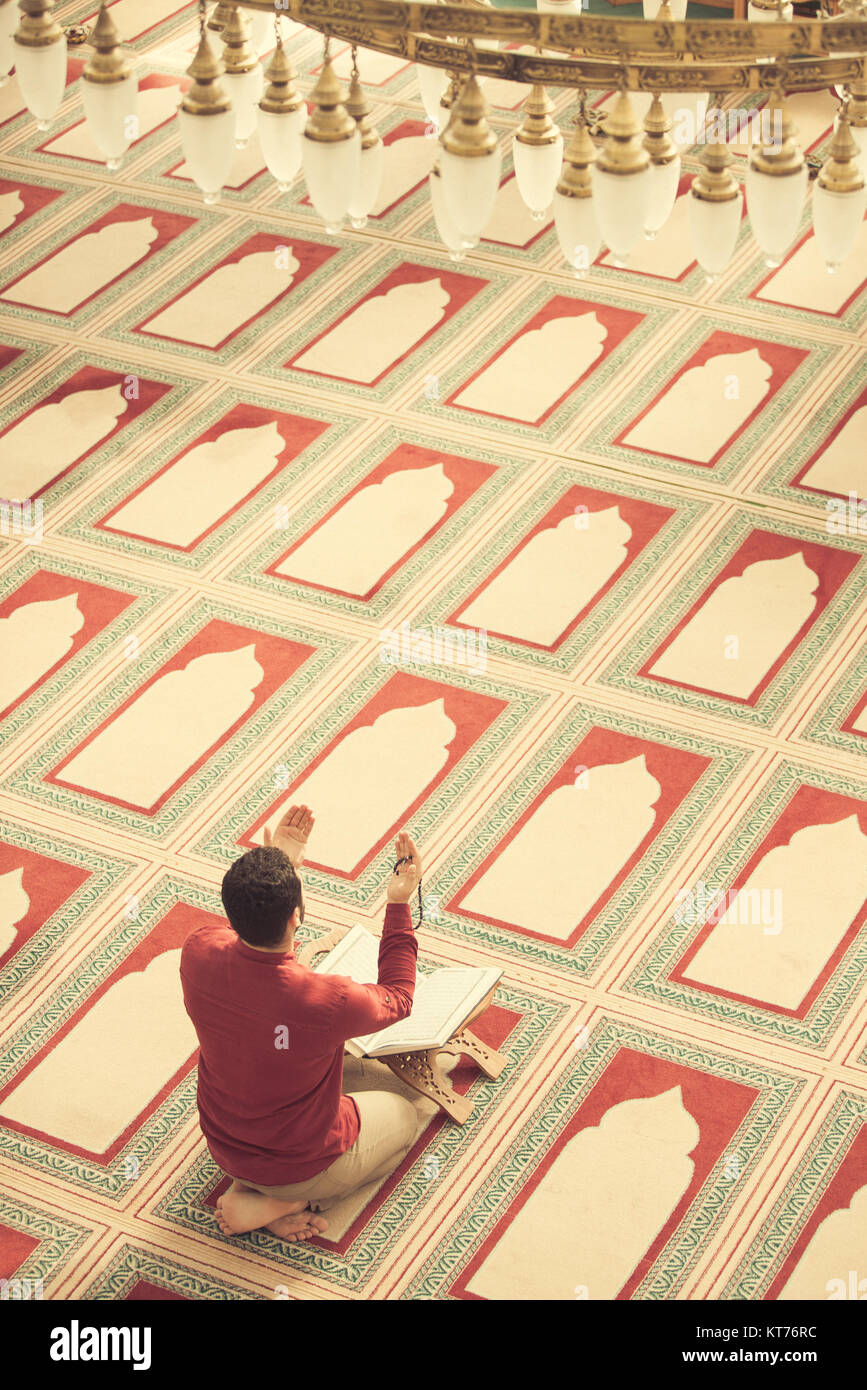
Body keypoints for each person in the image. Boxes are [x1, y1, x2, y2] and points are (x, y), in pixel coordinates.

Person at [180, 804, 422, 1241]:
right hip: (299, 1161)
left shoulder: (197, 950)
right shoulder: (325, 1000)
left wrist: (282, 863)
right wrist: (399, 904)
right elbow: (400, 997)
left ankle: (251, 1187)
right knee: (405, 1115)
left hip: (223, 1143)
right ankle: (284, 1201)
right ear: (295, 916)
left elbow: (247, 935)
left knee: (318, 1061)